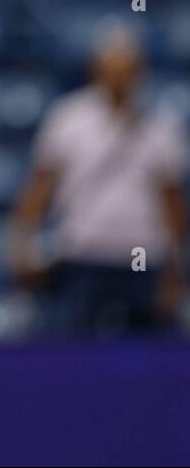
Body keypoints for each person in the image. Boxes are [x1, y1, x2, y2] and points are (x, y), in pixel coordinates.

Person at [10, 24, 187, 334]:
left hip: (143, 257)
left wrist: (176, 267)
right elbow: (40, 187)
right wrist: (23, 244)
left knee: (145, 355)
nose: (119, 77)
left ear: (139, 71)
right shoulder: (68, 118)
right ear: (96, 70)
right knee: (77, 348)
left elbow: (170, 200)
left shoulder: (160, 125)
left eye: (127, 69)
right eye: (111, 69)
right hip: (83, 254)